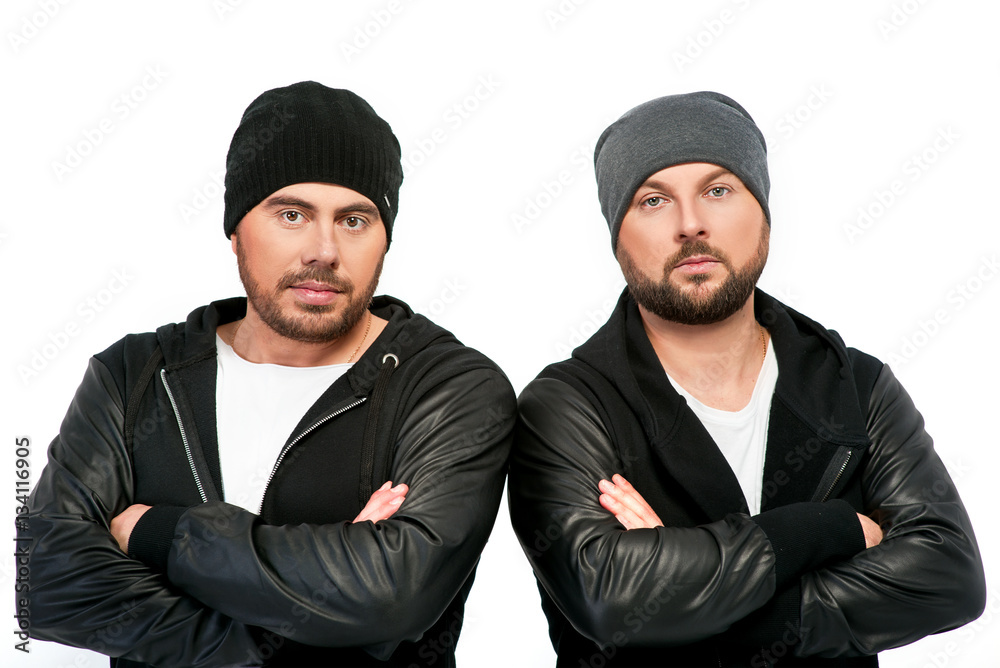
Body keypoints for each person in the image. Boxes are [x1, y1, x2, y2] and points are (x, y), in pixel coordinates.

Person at [25, 81, 516, 667]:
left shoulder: (449, 389)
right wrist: (293, 630)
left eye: (355, 220)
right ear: (236, 227)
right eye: (291, 214)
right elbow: (50, 585)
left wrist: (160, 535)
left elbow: (393, 596)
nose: (324, 250)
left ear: (386, 238)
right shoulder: (135, 375)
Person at [508, 91, 985, 667]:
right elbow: (610, 598)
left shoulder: (855, 384)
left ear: (762, 210)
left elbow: (949, 576)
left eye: (717, 190)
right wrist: (824, 529)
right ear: (617, 236)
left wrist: (692, 606)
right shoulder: (565, 407)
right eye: (654, 200)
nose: (691, 225)